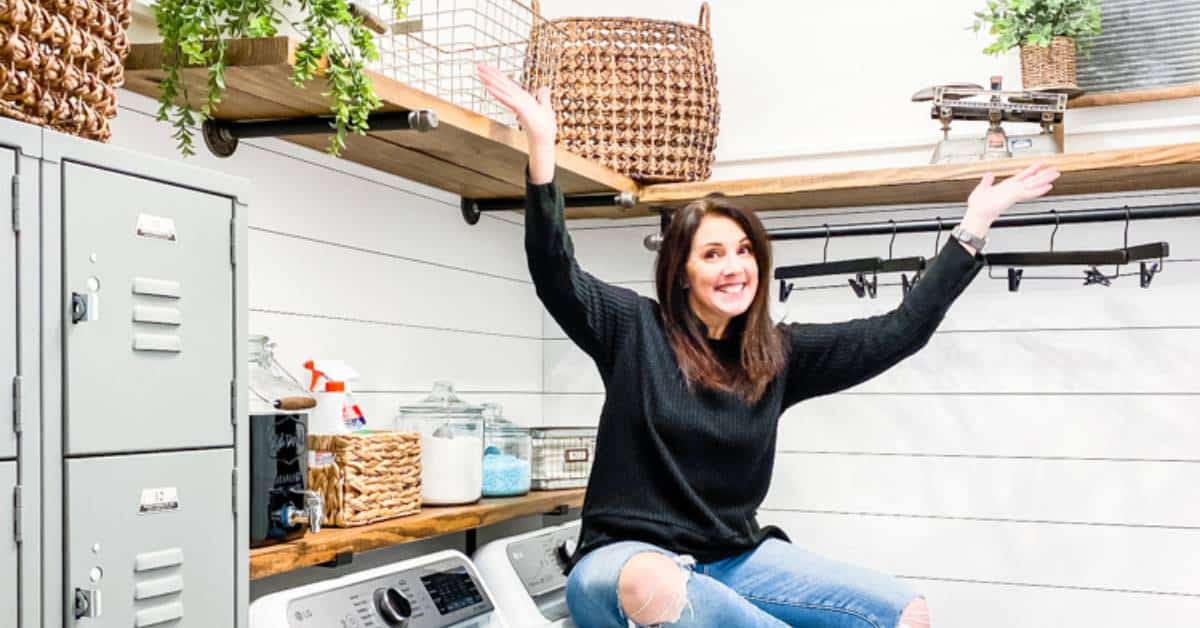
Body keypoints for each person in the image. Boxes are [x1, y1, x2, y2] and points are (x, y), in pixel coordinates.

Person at [477, 64, 1060, 628]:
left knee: (903, 613)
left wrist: (973, 226)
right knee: (656, 585)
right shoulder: (633, 328)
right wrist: (542, 148)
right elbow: (555, 270)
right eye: (712, 254)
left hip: (733, 560)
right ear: (681, 272)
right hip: (623, 562)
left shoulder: (778, 356)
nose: (734, 267)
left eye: (744, 250)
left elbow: (900, 330)